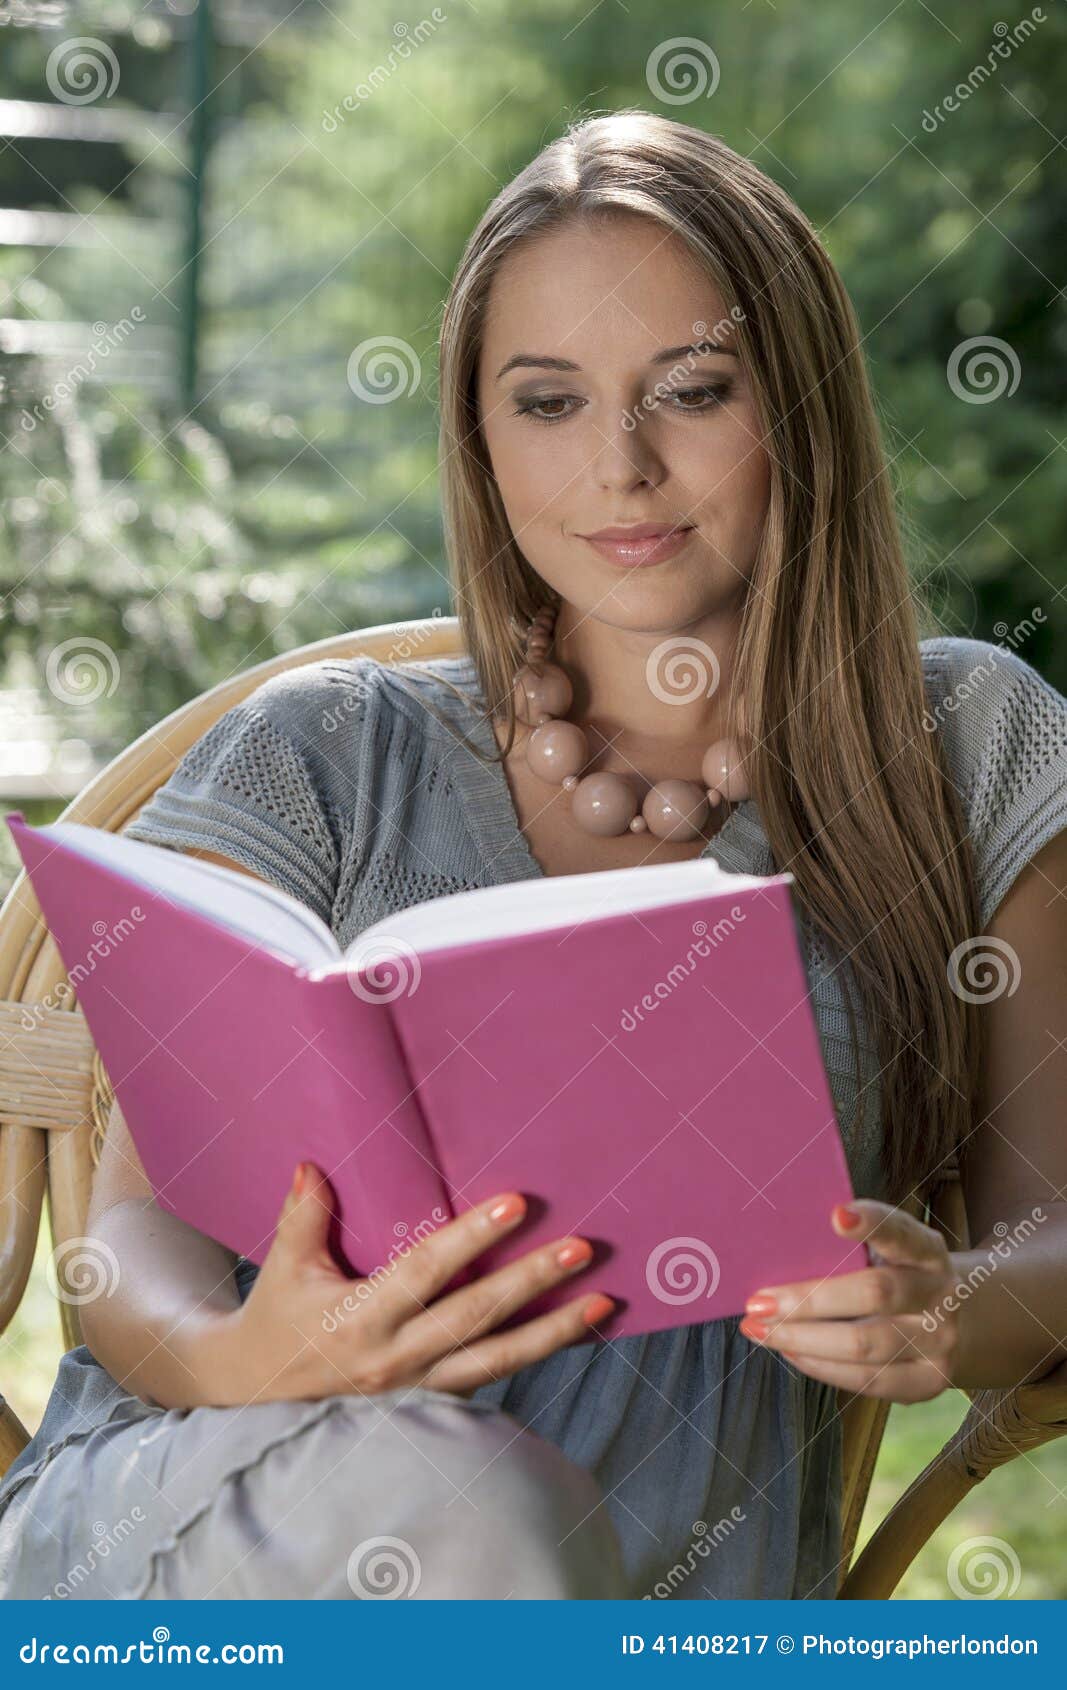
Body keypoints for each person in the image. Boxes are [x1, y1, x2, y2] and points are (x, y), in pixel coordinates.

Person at [2, 108, 1066, 1602]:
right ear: (480, 436)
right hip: (227, 1529)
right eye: (548, 402)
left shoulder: (964, 739)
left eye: (691, 390)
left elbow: (1055, 1231)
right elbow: (122, 1249)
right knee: (447, 1495)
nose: (620, 466)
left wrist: (947, 1303)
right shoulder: (328, 755)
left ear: (802, 405)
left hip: (663, 1601)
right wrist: (250, 1351)